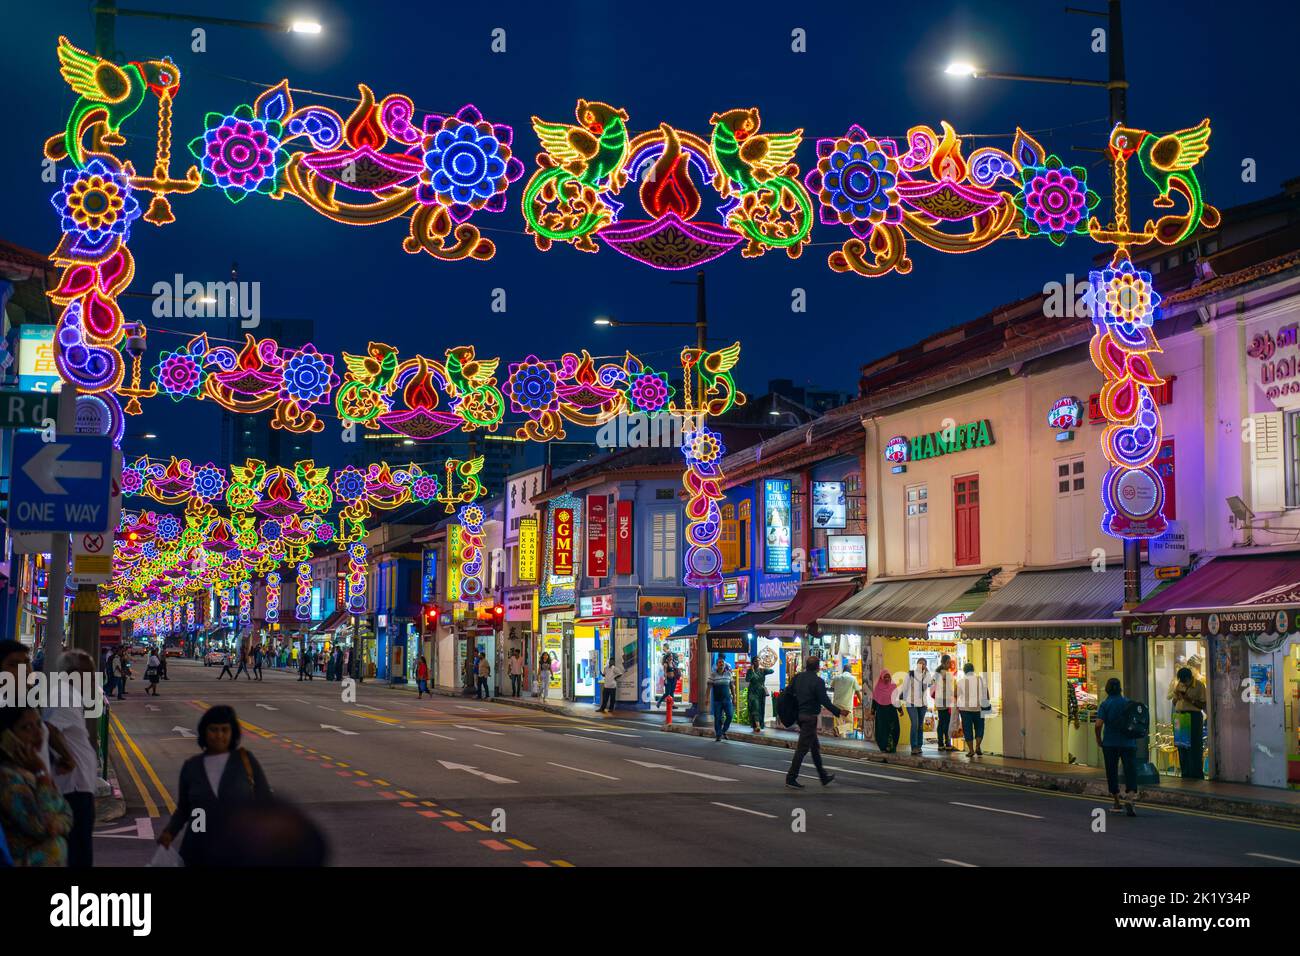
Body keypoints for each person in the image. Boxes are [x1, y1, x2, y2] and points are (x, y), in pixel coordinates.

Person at [158, 705, 272, 866]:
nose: (219, 735)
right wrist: (169, 832)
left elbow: (266, 803)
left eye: (225, 730)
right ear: (204, 732)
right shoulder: (192, 767)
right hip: (197, 851)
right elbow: (184, 809)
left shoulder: (245, 761)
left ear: (232, 733)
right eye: (213, 729)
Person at [43, 650, 99, 868]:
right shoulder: (63, 694)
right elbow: (50, 727)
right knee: (79, 850)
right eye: (90, 673)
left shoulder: (68, 693)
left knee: (79, 848)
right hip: (73, 787)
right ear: (74, 673)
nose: (93, 678)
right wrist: (68, 758)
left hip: (79, 785)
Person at [0, 707, 73, 866]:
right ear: (7, 737)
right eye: (26, 728)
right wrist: (41, 773)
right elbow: (43, 827)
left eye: (39, 725)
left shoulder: (29, 773)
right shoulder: (7, 778)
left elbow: (67, 813)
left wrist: (57, 823)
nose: (37, 733)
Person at [784, 657, 843, 789]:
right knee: (802, 749)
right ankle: (791, 777)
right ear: (818, 667)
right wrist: (839, 711)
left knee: (814, 747)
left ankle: (823, 776)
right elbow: (825, 701)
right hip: (810, 718)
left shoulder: (798, 677)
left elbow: (789, 692)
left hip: (800, 716)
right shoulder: (818, 681)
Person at [1095, 677, 1139, 817]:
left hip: (1110, 743)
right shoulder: (1128, 703)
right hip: (1128, 743)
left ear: (1107, 689)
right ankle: (1130, 798)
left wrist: (1098, 738)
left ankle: (1116, 802)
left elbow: (1098, 724)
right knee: (1130, 771)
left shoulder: (1105, 704)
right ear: (1120, 689)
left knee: (1112, 772)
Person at [1169, 665, 1207, 780]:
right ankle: (1185, 773)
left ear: (1190, 678)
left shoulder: (1199, 686)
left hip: (1193, 716)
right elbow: (1175, 702)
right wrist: (1176, 697)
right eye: (1181, 680)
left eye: (1184, 681)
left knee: (1195, 747)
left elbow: (1202, 705)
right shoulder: (1179, 684)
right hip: (1180, 717)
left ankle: (1196, 774)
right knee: (1182, 747)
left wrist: (1188, 698)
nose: (1183, 683)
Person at [899, 658, 933, 754]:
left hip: (922, 704)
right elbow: (905, 687)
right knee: (915, 724)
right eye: (920, 663)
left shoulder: (926, 675)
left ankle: (919, 746)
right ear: (917, 664)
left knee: (920, 726)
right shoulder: (910, 674)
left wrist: (927, 672)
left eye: (924, 664)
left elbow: (930, 684)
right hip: (911, 703)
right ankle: (914, 746)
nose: (921, 665)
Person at [956, 662, 990, 758]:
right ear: (973, 670)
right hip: (979, 708)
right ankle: (978, 746)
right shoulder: (981, 680)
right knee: (980, 728)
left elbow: (957, 695)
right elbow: (986, 694)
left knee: (967, 729)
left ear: (964, 671)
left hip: (965, 709)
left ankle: (971, 750)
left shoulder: (961, 682)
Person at [932, 655, 958, 752]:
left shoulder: (937, 673)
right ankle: (947, 743)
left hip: (939, 701)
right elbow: (950, 690)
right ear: (943, 663)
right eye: (948, 662)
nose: (950, 664)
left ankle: (941, 744)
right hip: (945, 701)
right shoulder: (945, 674)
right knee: (946, 722)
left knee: (941, 722)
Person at [870, 670, 900, 753]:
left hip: (892, 712)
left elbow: (896, 699)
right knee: (882, 730)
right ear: (882, 678)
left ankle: (892, 746)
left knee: (894, 729)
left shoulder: (893, 686)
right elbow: (875, 701)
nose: (887, 679)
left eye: (888, 677)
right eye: (885, 677)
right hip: (881, 713)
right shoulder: (878, 688)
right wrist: (872, 713)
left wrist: (900, 710)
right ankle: (883, 747)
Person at [708, 656, 734, 742]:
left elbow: (732, 686)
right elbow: (709, 687)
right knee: (717, 718)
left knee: (730, 715)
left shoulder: (728, 674)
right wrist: (706, 698)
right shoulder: (713, 674)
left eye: (722, 662)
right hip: (717, 700)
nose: (721, 664)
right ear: (717, 665)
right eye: (719, 662)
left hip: (727, 700)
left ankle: (724, 730)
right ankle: (718, 735)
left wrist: (735, 697)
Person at [830, 665, 859, 738]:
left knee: (839, 725)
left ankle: (840, 738)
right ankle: (838, 730)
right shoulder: (853, 679)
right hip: (847, 706)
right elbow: (857, 691)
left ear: (843, 670)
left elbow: (832, 688)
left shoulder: (836, 678)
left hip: (836, 705)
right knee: (850, 725)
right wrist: (861, 702)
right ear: (850, 671)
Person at [746, 660, 774, 731]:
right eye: (755, 661)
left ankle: (758, 725)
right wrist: (752, 671)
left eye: (758, 661)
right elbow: (747, 679)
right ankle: (757, 725)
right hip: (753, 692)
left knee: (761, 708)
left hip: (761, 692)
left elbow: (772, 671)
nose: (757, 662)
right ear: (753, 663)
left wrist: (764, 668)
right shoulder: (750, 671)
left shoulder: (762, 671)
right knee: (755, 706)